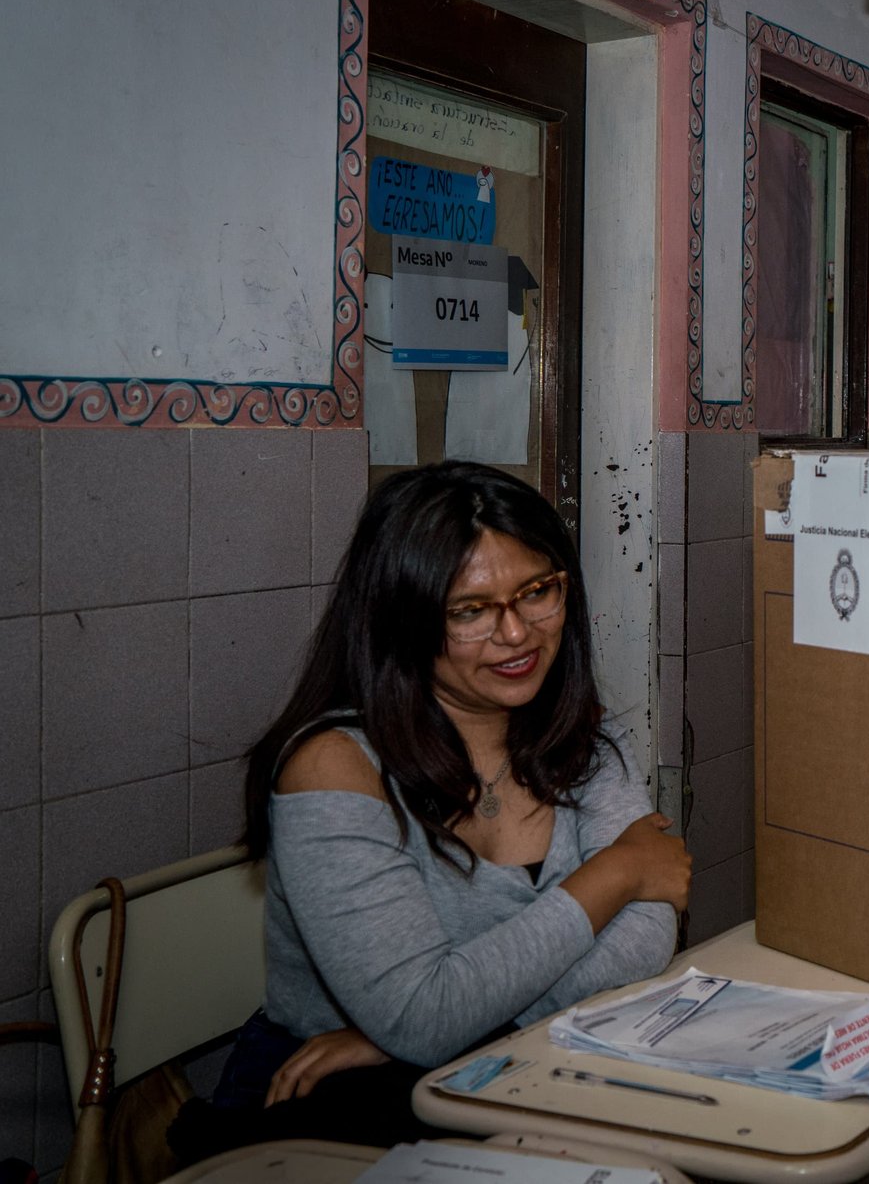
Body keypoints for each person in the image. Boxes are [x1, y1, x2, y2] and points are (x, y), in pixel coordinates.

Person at [173, 462, 691, 1159]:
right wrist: (618, 874)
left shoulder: (587, 740)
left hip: (506, 1076)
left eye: (537, 592)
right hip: (327, 1111)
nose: (516, 635)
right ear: (403, 620)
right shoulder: (335, 767)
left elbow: (646, 942)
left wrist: (429, 1031)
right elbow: (422, 1017)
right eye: (470, 611)